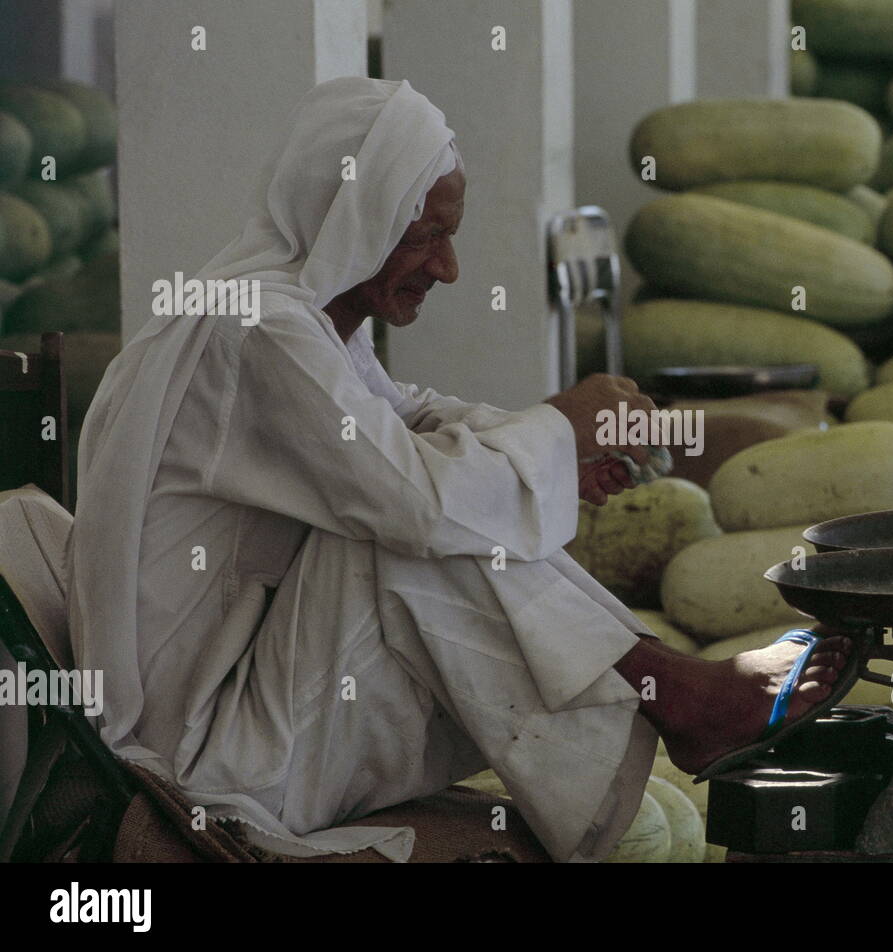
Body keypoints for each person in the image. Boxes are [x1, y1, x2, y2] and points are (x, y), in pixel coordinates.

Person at [67, 77, 852, 863]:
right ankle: (678, 696)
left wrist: (556, 438)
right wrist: (551, 435)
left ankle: (676, 693)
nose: (446, 268)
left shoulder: (301, 323)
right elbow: (408, 498)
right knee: (408, 535)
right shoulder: (258, 331)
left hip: (256, 714)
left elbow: (411, 421)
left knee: (431, 512)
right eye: (425, 236)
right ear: (355, 218)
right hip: (211, 762)